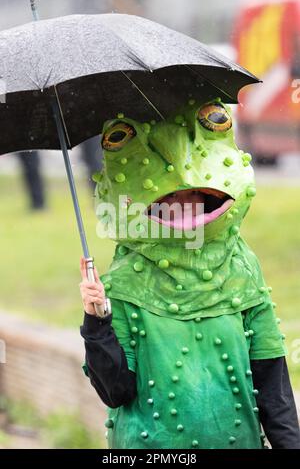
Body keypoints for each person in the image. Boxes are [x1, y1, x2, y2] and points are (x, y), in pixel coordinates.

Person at [80, 99, 300, 449]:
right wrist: (97, 322)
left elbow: (273, 384)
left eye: (193, 195)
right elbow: (115, 391)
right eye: (171, 200)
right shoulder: (120, 285)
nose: (184, 206)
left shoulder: (242, 270)